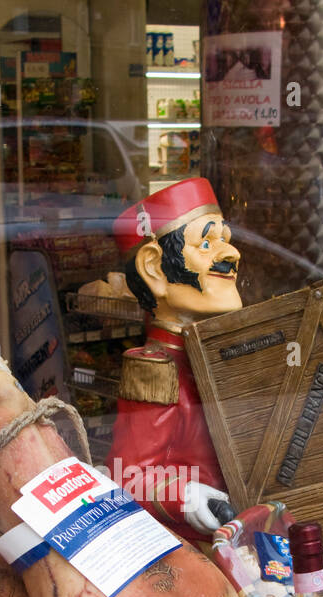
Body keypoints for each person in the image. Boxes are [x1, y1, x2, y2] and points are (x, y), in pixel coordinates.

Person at [110, 177, 239, 544]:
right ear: (154, 268)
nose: (231, 255)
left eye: (226, 242)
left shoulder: (219, 355)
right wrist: (186, 496)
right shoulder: (156, 370)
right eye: (207, 243)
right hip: (190, 547)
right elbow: (126, 477)